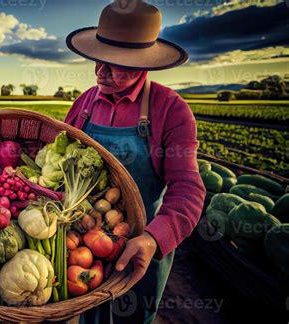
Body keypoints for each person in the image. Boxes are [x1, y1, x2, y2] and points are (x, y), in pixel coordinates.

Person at [64, 1, 206, 323]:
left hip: (142, 243)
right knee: (89, 315)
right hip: (84, 244)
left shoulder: (170, 109)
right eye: (98, 60)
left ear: (144, 63)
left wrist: (154, 239)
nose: (101, 71)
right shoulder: (84, 103)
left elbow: (187, 187)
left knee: (135, 317)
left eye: (116, 64)